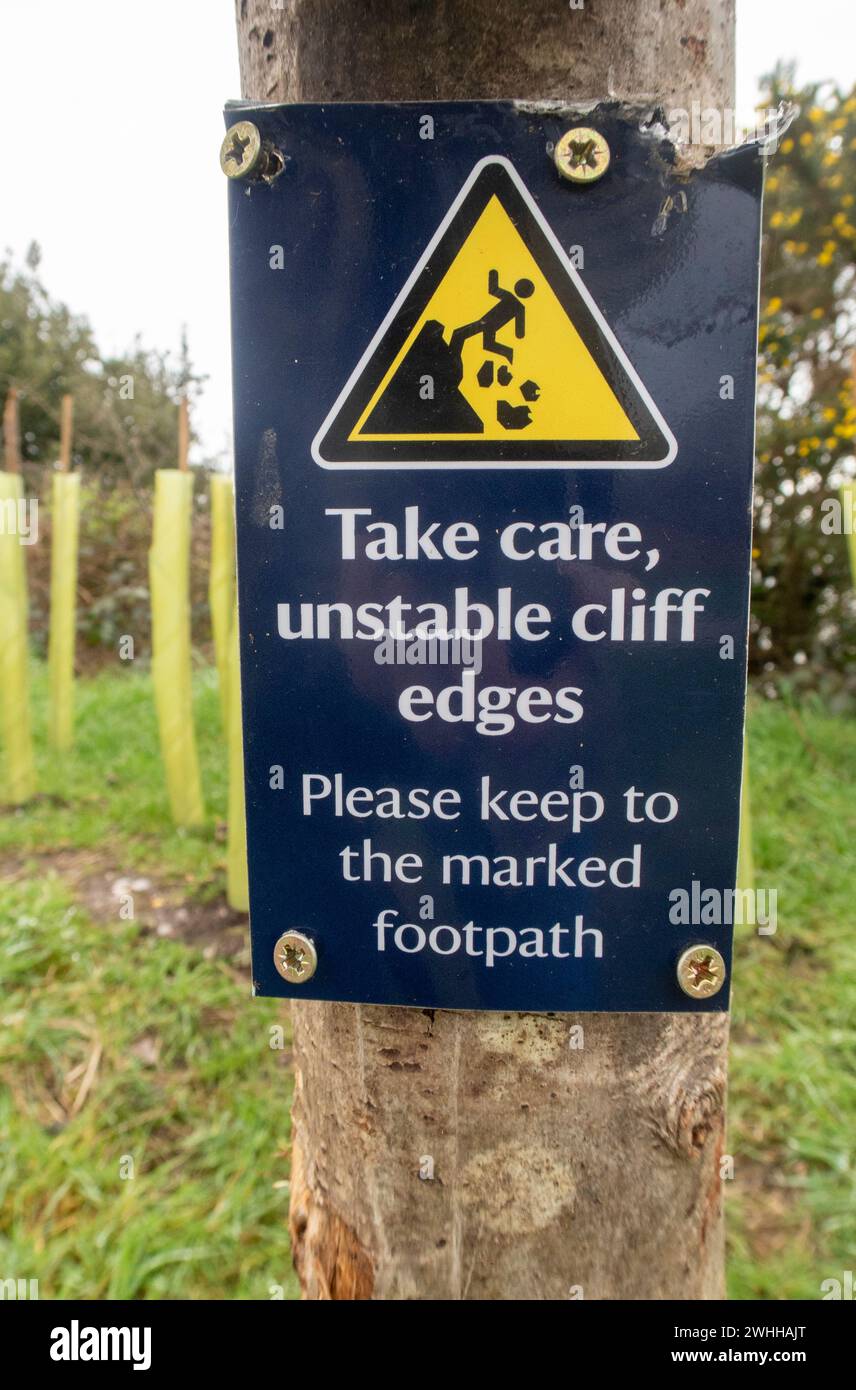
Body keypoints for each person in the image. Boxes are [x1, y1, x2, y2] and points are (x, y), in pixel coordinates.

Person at [449, 269, 534, 363]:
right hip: (490, 325)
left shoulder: (509, 296)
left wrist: (493, 274)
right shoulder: (520, 308)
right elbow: (519, 335)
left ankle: (451, 361)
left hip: (485, 323)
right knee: (487, 344)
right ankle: (508, 352)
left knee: (459, 334)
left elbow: (493, 289)